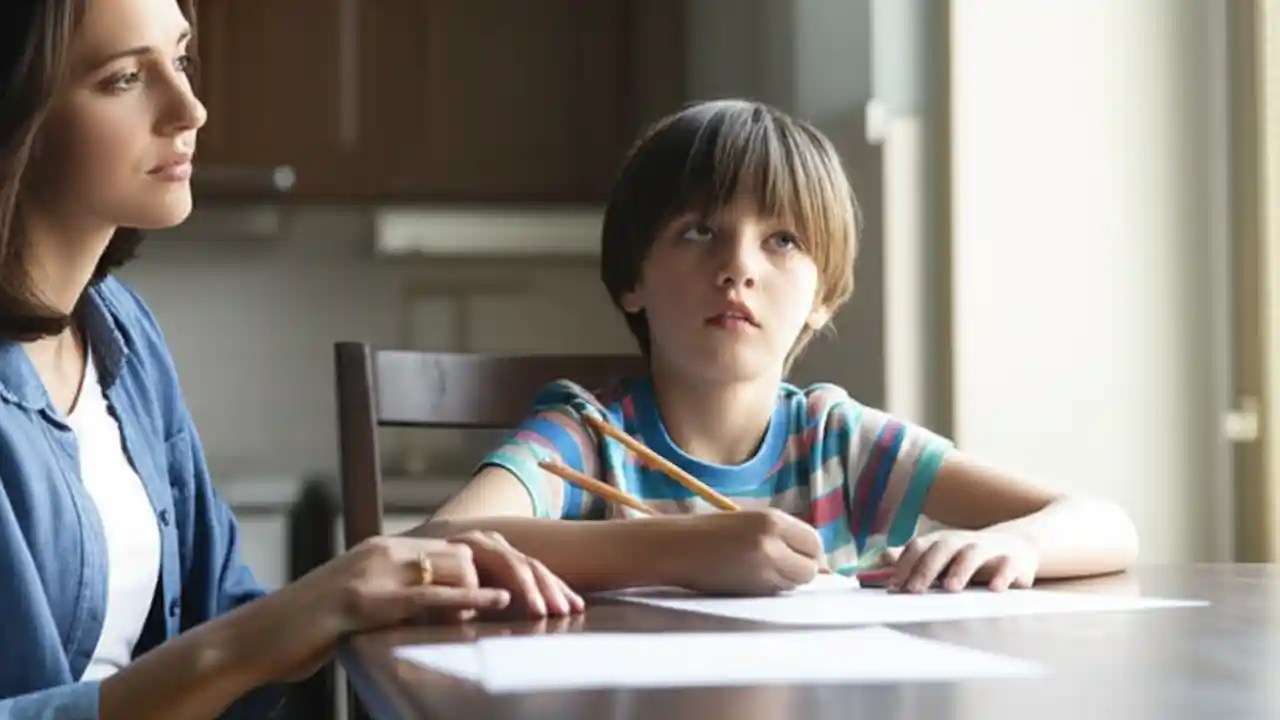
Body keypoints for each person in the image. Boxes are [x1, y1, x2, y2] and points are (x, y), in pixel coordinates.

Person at [0, 0, 580, 717]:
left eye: (179, 60)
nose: (191, 108)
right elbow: (237, 644)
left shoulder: (122, 330)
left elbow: (224, 612)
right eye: (124, 78)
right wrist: (272, 630)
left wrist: (393, 591)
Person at [421, 99, 1140, 597]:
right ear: (632, 278)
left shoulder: (837, 440)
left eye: (782, 241)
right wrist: (687, 549)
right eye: (700, 231)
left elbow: (1106, 523)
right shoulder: (589, 436)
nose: (739, 268)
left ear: (822, 296)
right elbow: (443, 538)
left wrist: (1020, 547)